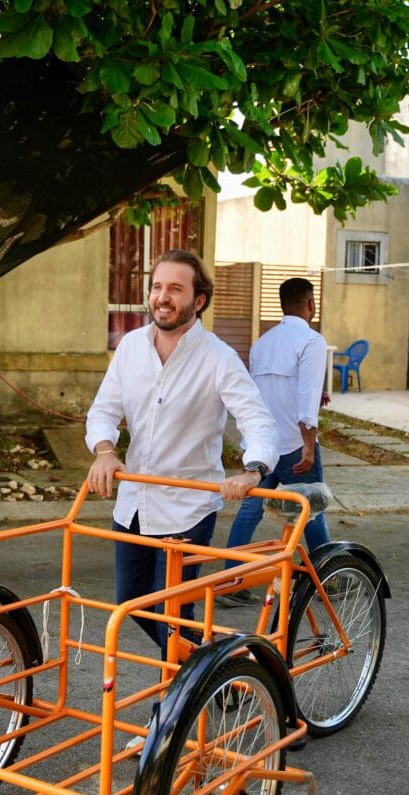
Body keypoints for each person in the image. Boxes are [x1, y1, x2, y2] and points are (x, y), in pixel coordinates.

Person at [85, 249, 278, 657]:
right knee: (131, 603)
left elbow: (257, 420)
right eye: (157, 287)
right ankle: (213, 668)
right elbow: (103, 411)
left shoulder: (219, 358)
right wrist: (104, 450)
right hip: (133, 504)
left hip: (187, 509)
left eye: (175, 288)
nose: (162, 297)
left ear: (199, 300)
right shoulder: (131, 347)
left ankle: (175, 709)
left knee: (173, 615)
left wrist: (253, 469)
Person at [219, 277, 331, 604]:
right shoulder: (311, 341)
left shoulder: (261, 345)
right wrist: (309, 443)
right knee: (311, 507)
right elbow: (308, 396)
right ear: (310, 304)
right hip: (296, 445)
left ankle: (232, 580)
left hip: (263, 445)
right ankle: (329, 575)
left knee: (250, 511)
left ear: (282, 304)